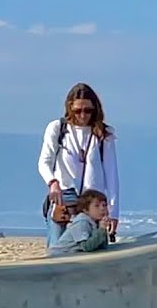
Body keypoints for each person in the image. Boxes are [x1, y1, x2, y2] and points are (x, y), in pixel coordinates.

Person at [37, 82, 121, 248]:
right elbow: (44, 161)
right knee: (59, 248)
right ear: (70, 108)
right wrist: (52, 183)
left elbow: (111, 175)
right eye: (78, 110)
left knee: (94, 248)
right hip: (65, 196)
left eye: (88, 110)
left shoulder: (104, 134)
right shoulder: (58, 128)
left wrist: (113, 211)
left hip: (94, 201)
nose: (83, 115)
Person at [47, 189, 112, 256]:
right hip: (60, 256)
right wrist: (101, 229)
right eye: (97, 206)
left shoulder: (96, 222)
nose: (102, 208)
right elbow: (87, 247)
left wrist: (103, 229)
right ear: (86, 210)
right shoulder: (82, 222)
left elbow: (102, 246)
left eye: (104, 205)